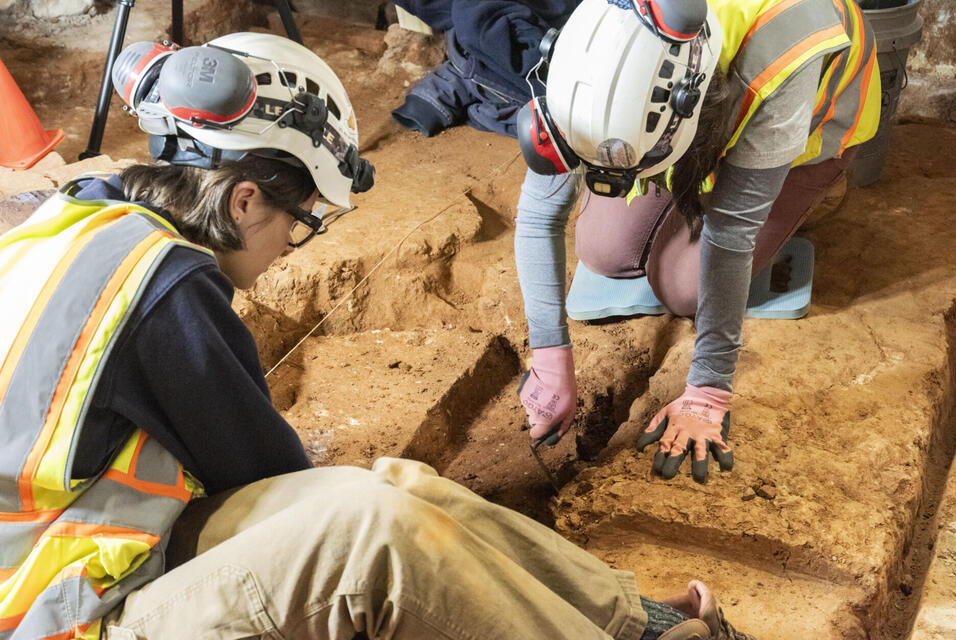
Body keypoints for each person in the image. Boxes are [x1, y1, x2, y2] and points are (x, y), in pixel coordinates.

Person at [0, 32, 755, 640]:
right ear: (245, 199)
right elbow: (274, 479)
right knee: (371, 532)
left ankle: (630, 622)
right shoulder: (165, 285)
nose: (286, 250)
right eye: (296, 226)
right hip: (66, 615)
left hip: (93, 544)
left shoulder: (85, 209)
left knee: (397, 484)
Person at [515, 0, 880, 482]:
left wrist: (708, 391)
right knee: (601, 251)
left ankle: (806, 195)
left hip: (810, 131)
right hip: (687, 122)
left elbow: (732, 231)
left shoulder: (788, 40)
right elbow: (541, 211)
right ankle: (681, 182)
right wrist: (548, 356)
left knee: (685, 286)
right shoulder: (597, 37)